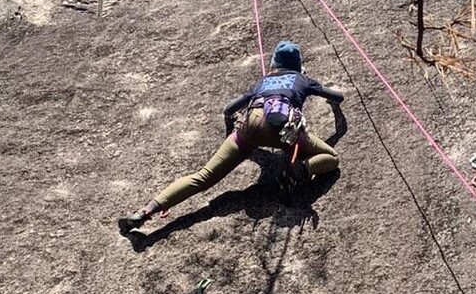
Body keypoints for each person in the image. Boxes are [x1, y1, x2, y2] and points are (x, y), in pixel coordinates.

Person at [118, 40, 345, 234]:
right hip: (283, 132)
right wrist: (333, 103)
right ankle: (299, 171)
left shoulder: (263, 81)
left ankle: (145, 211)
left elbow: (228, 110)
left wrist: (232, 131)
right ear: (298, 65)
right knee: (331, 158)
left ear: (275, 63)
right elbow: (338, 96)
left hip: (248, 128)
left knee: (203, 176)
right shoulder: (302, 79)